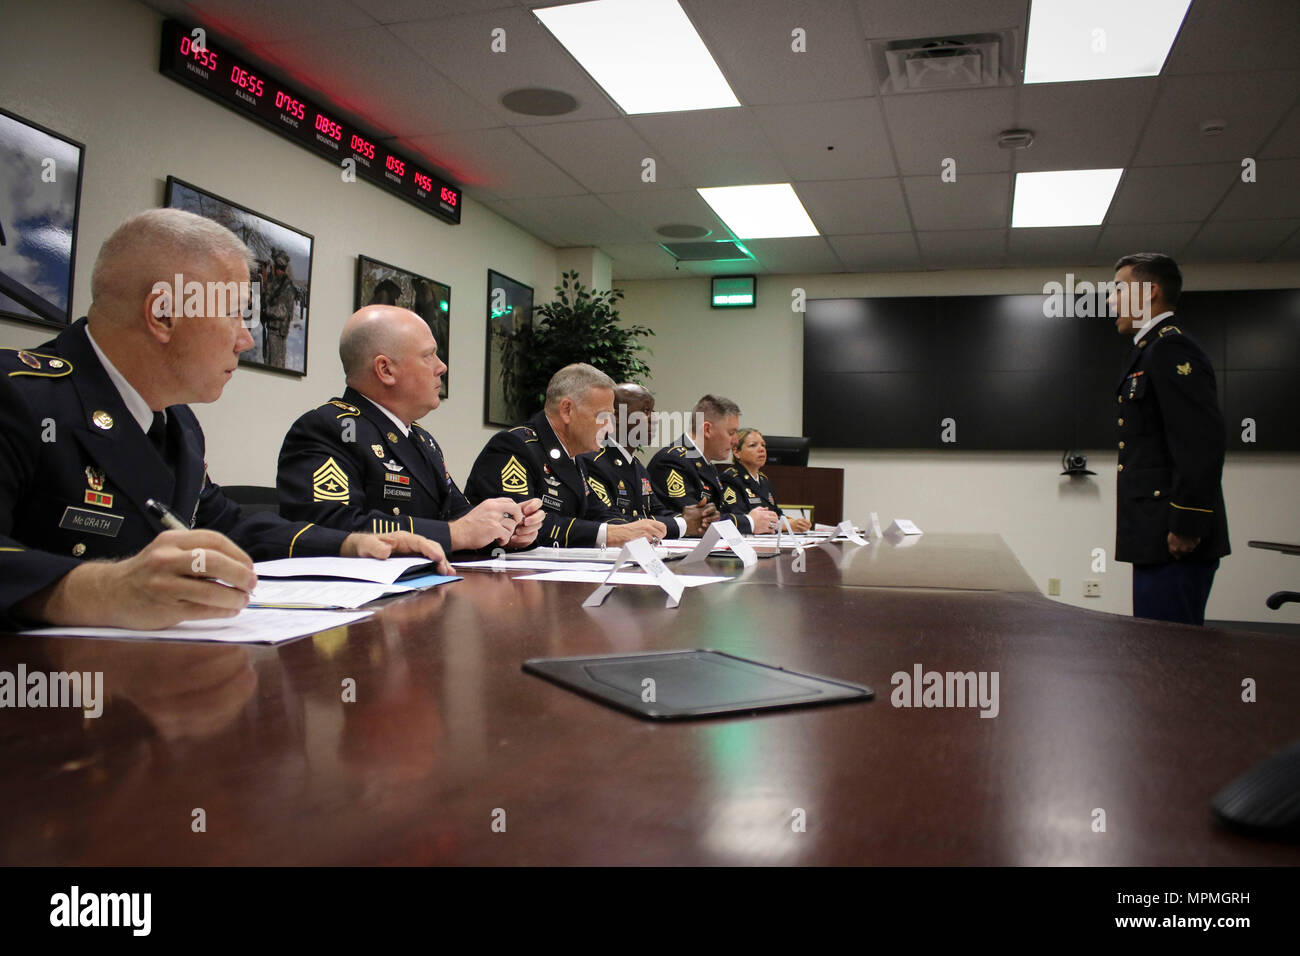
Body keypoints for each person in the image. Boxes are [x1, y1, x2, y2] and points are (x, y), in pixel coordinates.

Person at [0, 209, 445, 629]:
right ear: (163, 314)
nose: (247, 340)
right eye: (235, 314)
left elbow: (227, 524)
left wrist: (352, 544)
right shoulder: (17, 395)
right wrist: (98, 591)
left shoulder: (178, 424)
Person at [277, 305, 543, 554]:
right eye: (429, 355)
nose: (442, 366)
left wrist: (504, 527)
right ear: (385, 369)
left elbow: (458, 514)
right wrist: (455, 533)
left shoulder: (422, 439)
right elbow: (328, 526)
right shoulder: (330, 428)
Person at [1107, 252, 1229, 625]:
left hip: (1175, 539)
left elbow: (1200, 442)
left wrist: (1187, 523)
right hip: (1154, 534)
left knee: (1172, 660)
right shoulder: (1148, 350)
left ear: (1150, 292)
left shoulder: (1172, 349)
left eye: (1118, 290)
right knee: (1156, 654)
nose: (1111, 301)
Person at [465, 364, 665, 548]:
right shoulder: (514, 447)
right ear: (567, 410)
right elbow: (521, 525)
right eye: (602, 417)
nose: (610, 428)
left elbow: (599, 511)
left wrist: (632, 531)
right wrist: (609, 534)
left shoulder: (574, 456)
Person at [580, 383, 719, 538]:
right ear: (616, 416)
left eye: (653, 411)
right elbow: (612, 521)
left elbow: (656, 509)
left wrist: (696, 517)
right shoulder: (593, 461)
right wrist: (682, 524)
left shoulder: (637, 466)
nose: (654, 419)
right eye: (646, 411)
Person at [648, 395, 779, 534]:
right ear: (707, 430)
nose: (735, 441)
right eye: (731, 433)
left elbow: (720, 512)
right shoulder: (673, 461)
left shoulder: (706, 464)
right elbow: (698, 521)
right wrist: (750, 522)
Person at [721, 428, 811, 533]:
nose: (761, 449)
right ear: (736, 452)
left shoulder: (764, 480)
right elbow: (742, 520)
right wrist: (783, 526)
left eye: (763, 445)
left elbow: (776, 513)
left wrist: (795, 523)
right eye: (753, 445)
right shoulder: (730, 478)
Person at [260, 248, 297, 369]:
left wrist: (267, 310)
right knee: (269, 361)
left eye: (275, 267)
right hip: (272, 330)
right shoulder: (277, 282)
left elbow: (282, 311)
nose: (274, 270)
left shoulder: (286, 286)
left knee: (274, 365)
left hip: (278, 333)